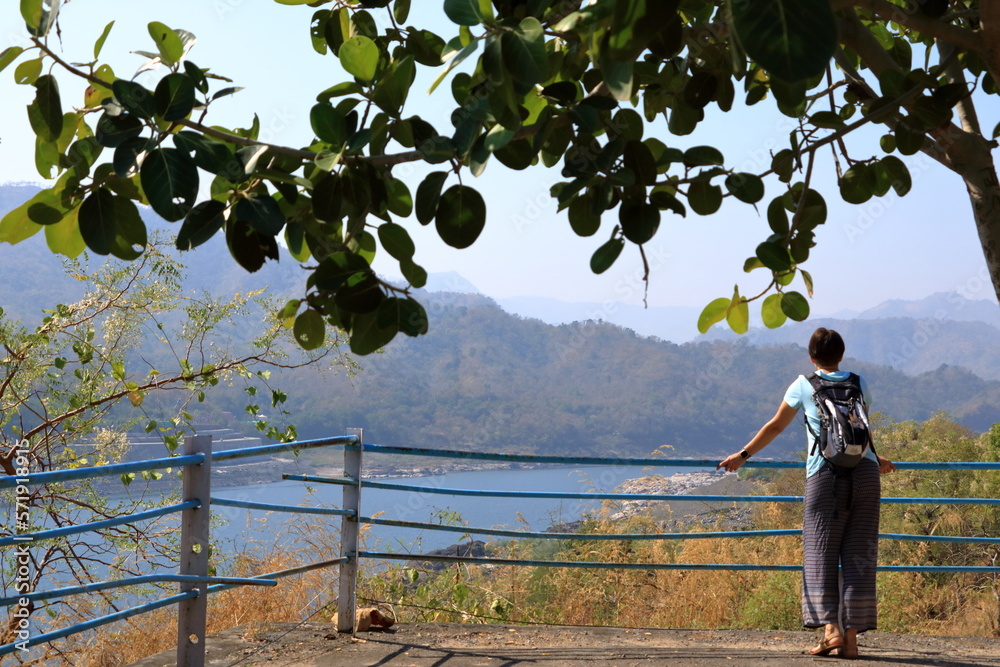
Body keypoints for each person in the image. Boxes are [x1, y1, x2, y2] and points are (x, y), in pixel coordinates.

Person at [717, 328, 896, 660]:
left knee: (820, 554)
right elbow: (859, 426)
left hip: (826, 475)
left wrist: (742, 456)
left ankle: (831, 633)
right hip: (867, 474)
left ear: (812, 358)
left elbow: (775, 425)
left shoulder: (804, 384)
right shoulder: (859, 382)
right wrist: (876, 457)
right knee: (859, 555)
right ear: (841, 355)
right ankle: (853, 641)